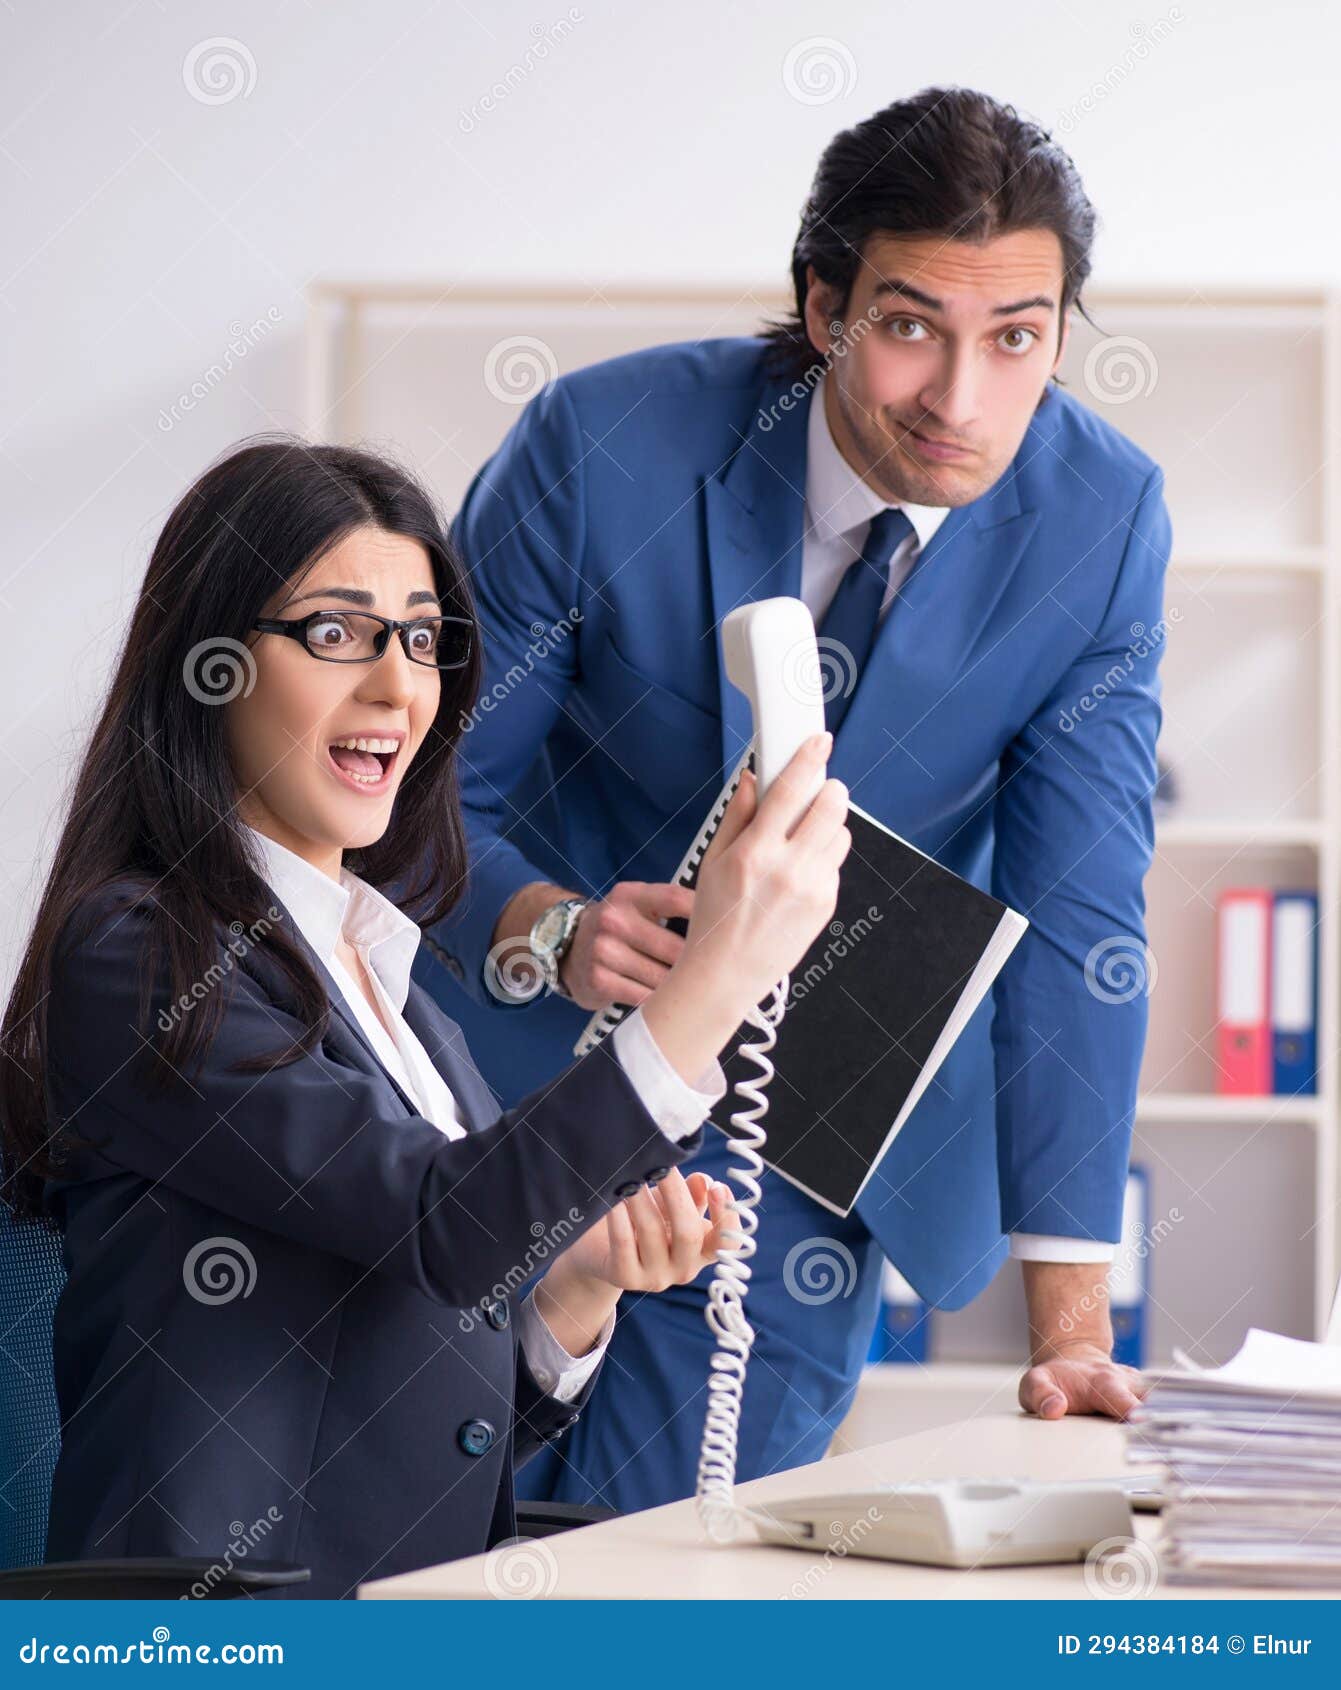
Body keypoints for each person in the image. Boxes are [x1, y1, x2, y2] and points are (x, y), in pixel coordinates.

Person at [419, 86, 1170, 1514]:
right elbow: (426, 794)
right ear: (824, 304)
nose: (961, 400)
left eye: (1016, 338)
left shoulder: (1101, 517)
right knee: (436, 1524)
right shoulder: (602, 447)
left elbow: (1082, 915)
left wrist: (1073, 1330)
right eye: (908, 327)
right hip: (525, 1088)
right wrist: (544, 925)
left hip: (807, 1135)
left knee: (664, 1567)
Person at [0, 438, 851, 1599]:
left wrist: (571, 1294)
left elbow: (433, 1422)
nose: (398, 687)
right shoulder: (141, 950)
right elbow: (443, 1225)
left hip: (405, 1611)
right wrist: (724, 970)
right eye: (337, 632)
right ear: (208, 665)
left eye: (420, 638)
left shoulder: (395, 991)